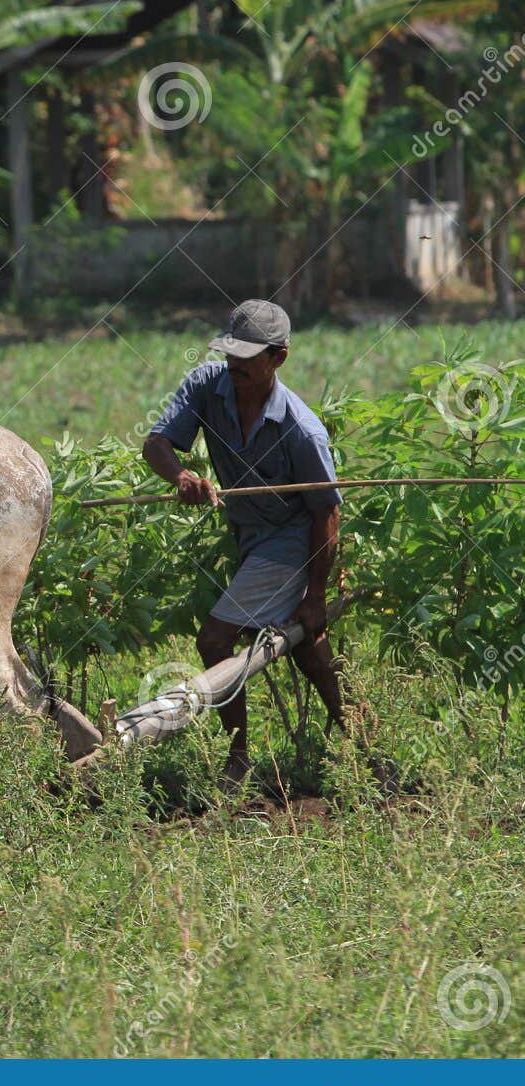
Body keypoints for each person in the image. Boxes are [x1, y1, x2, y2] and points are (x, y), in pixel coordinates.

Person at [142, 299, 348, 791]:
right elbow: (156, 445)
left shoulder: (301, 429)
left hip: (291, 542)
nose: (234, 365)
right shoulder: (206, 386)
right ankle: (358, 743)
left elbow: (327, 512)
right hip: (250, 537)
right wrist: (181, 475)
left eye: (247, 357)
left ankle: (238, 761)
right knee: (307, 646)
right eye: (230, 352)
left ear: (278, 358)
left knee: (213, 640)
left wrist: (315, 594)